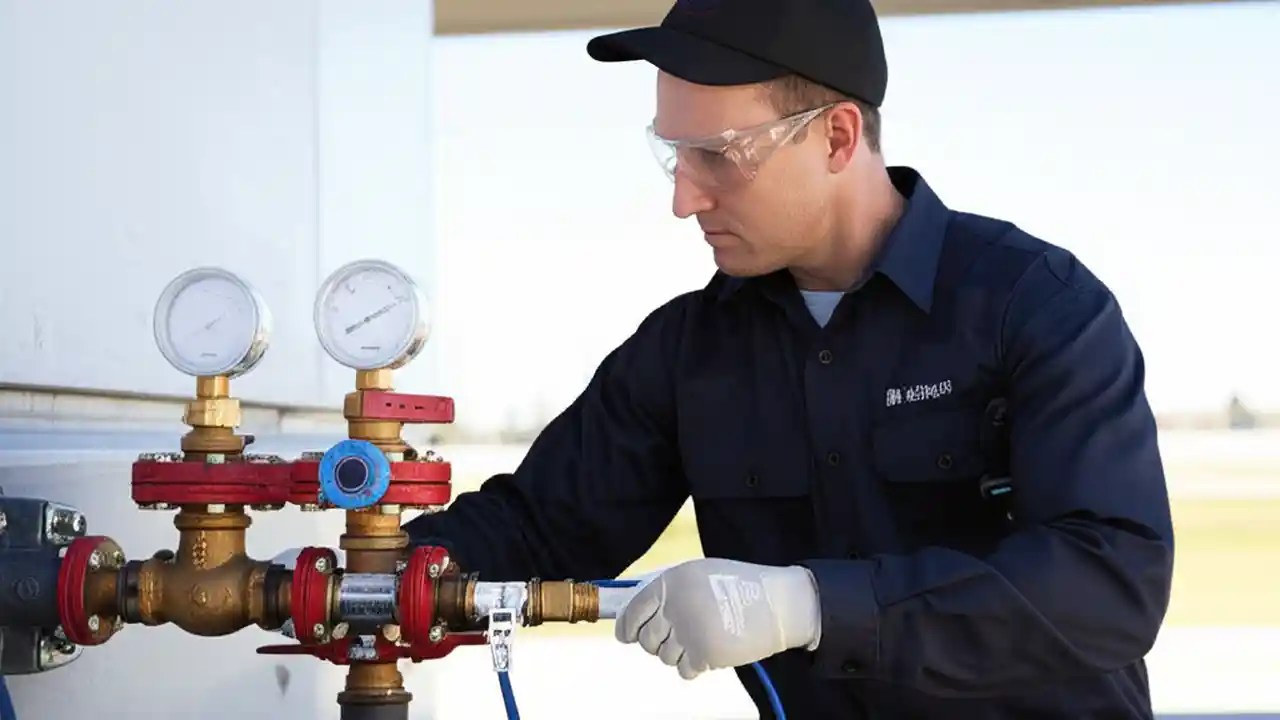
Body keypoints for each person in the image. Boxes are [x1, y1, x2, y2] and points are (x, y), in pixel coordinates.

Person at [404, 0, 1176, 717]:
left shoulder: (1032, 305)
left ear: (837, 137)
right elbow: (539, 527)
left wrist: (809, 606)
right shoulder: (688, 352)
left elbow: (1111, 583)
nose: (684, 199)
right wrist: (376, 574)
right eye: (674, 155)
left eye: (719, 156)